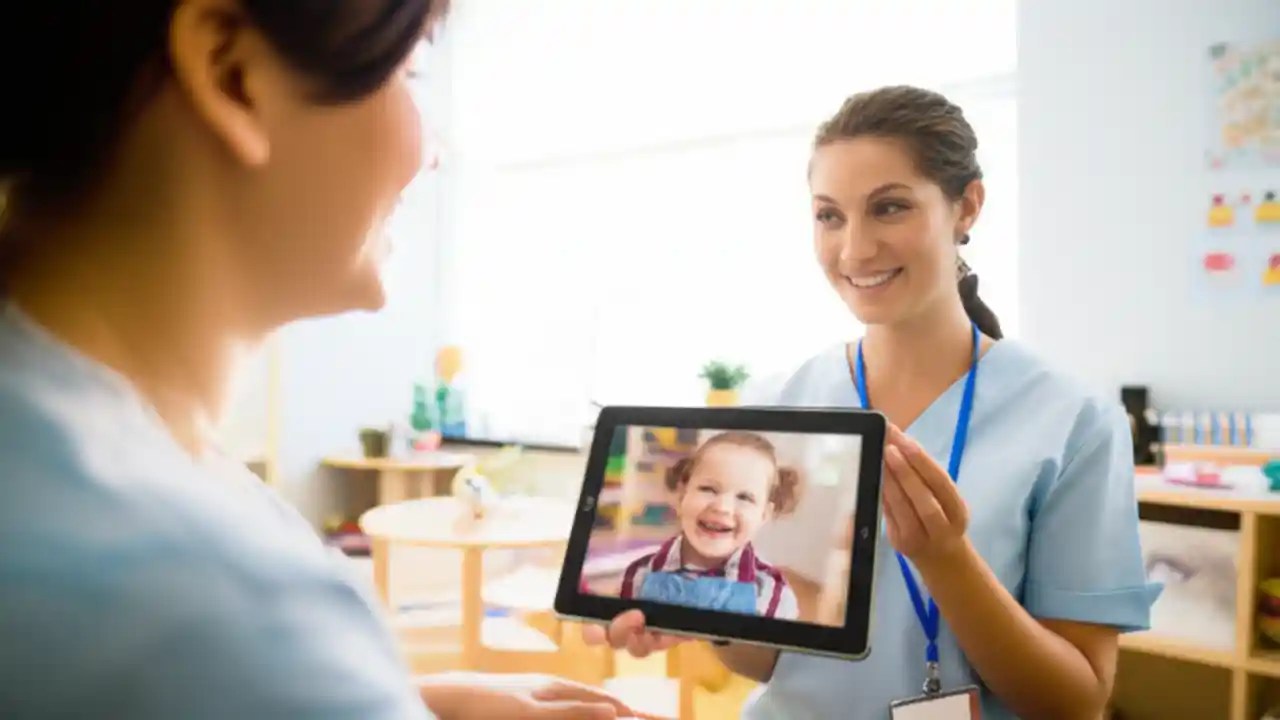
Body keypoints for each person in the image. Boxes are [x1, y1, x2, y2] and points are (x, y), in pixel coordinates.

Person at [0, 3, 647, 719]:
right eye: (411, 67)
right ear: (232, 72)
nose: (433, 152)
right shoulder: (217, 603)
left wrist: (424, 702)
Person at [589, 85, 1159, 719]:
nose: (854, 249)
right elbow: (770, 659)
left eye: (889, 208)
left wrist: (948, 562)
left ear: (966, 206)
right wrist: (711, 619)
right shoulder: (776, 405)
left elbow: (1075, 703)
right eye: (829, 215)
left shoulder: (1072, 421)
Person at [617, 432, 801, 620]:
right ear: (682, 495)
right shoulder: (638, 575)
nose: (722, 508)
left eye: (744, 497)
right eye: (708, 489)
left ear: (764, 515)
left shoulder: (773, 596)